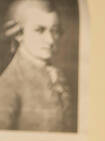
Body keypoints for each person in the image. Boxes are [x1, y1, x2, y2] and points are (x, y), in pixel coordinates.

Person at [0, 0, 72, 131]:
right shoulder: (8, 84)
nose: (50, 40)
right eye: (40, 30)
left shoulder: (57, 75)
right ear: (19, 34)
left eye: (54, 31)